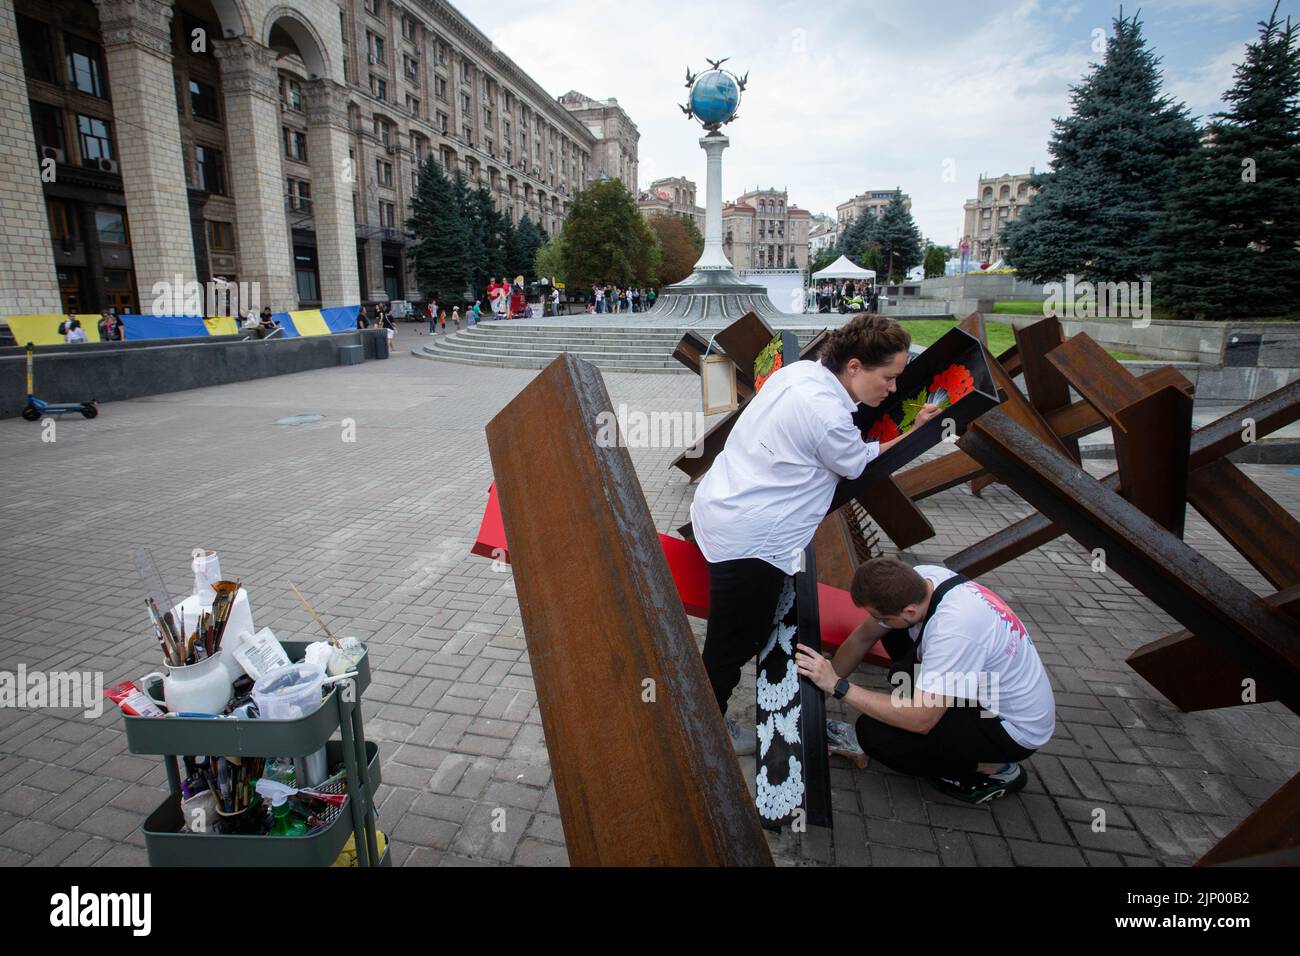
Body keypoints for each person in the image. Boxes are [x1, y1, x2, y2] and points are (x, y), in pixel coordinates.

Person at [690, 315, 941, 753]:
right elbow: (859, 463)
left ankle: (701, 712)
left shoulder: (803, 371)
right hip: (752, 540)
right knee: (734, 643)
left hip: (723, 506)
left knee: (736, 628)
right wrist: (917, 431)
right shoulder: (828, 417)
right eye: (890, 377)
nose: (894, 389)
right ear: (856, 367)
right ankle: (706, 729)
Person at [794, 556, 1055, 803]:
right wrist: (819, 694)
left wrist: (839, 686)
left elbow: (921, 720)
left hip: (1010, 728)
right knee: (893, 634)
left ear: (908, 610)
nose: (875, 621)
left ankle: (995, 769)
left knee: (876, 735)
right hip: (985, 691)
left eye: (880, 616)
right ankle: (926, 699)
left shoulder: (953, 631)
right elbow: (862, 637)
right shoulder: (920, 581)